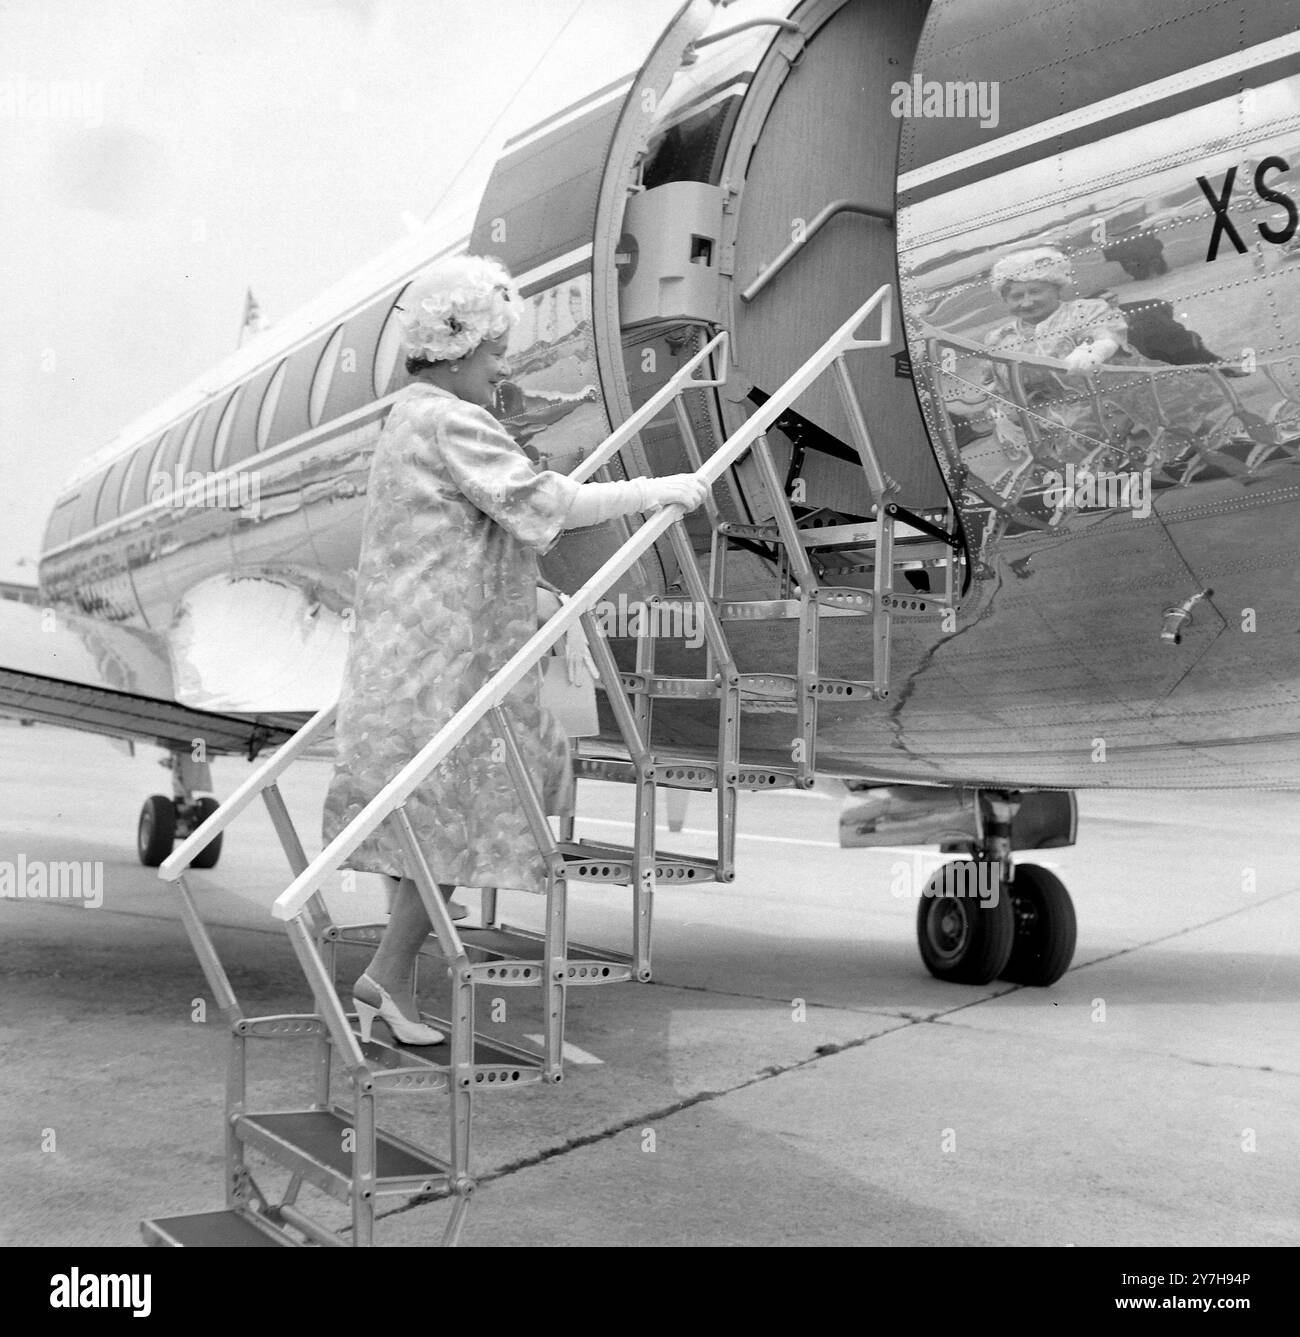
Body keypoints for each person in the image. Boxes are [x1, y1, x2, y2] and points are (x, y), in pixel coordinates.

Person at [324, 255, 707, 1045]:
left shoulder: (408, 416)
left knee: (442, 819)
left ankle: (393, 972)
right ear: (461, 352)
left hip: (407, 659)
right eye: (496, 354)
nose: (503, 370)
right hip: (447, 666)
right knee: (469, 815)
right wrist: (659, 489)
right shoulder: (453, 419)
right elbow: (545, 502)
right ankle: (389, 976)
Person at [981, 247, 1234, 474]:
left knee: (1175, 423)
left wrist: (1093, 351)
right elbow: (995, 380)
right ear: (1006, 301)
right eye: (1016, 296)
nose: (1027, 301)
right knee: (1076, 455)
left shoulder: (1085, 310)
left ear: (1055, 288)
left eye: (1035, 291)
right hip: (1059, 409)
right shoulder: (1000, 337)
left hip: (1118, 389)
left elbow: (1107, 333)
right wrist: (1000, 404)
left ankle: (1209, 446)